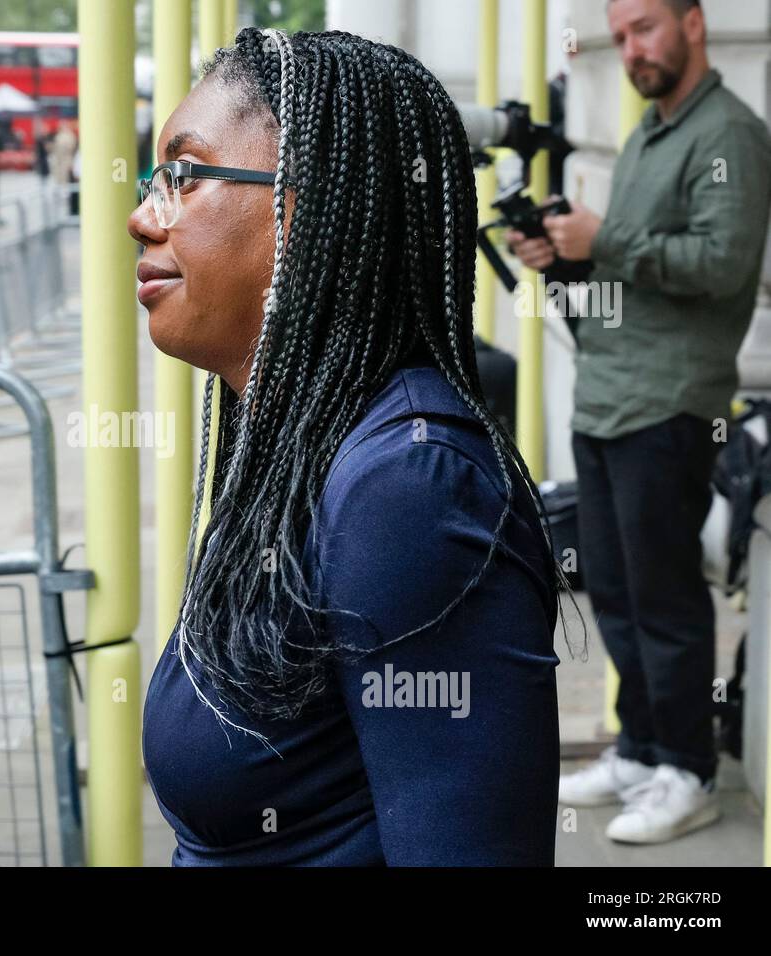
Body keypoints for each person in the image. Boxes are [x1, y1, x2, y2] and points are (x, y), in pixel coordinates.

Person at [129, 28, 563, 866]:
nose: (143, 214)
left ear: (308, 205)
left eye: (182, 174)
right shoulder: (294, 443)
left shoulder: (409, 487)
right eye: (154, 179)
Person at [510, 0, 771, 844]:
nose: (631, 50)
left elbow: (724, 264)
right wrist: (565, 256)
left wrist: (606, 238)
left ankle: (688, 773)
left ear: (694, 23)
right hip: (608, 395)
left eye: (646, 28)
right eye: (619, 37)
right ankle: (644, 747)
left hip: (670, 403)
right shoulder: (647, 135)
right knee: (618, 592)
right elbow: (628, 268)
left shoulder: (728, 134)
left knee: (664, 600)